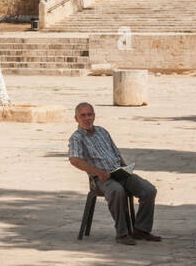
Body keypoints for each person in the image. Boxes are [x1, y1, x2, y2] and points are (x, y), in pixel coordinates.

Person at [67, 102, 161, 245]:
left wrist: (125, 167)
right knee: (117, 191)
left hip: (118, 172)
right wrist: (98, 172)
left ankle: (141, 229)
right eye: (83, 115)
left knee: (149, 190)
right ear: (76, 119)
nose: (87, 118)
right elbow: (74, 160)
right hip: (100, 178)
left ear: (94, 115)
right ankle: (122, 233)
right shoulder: (77, 138)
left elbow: (116, 152)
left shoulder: (102, 131)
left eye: (90, 114)